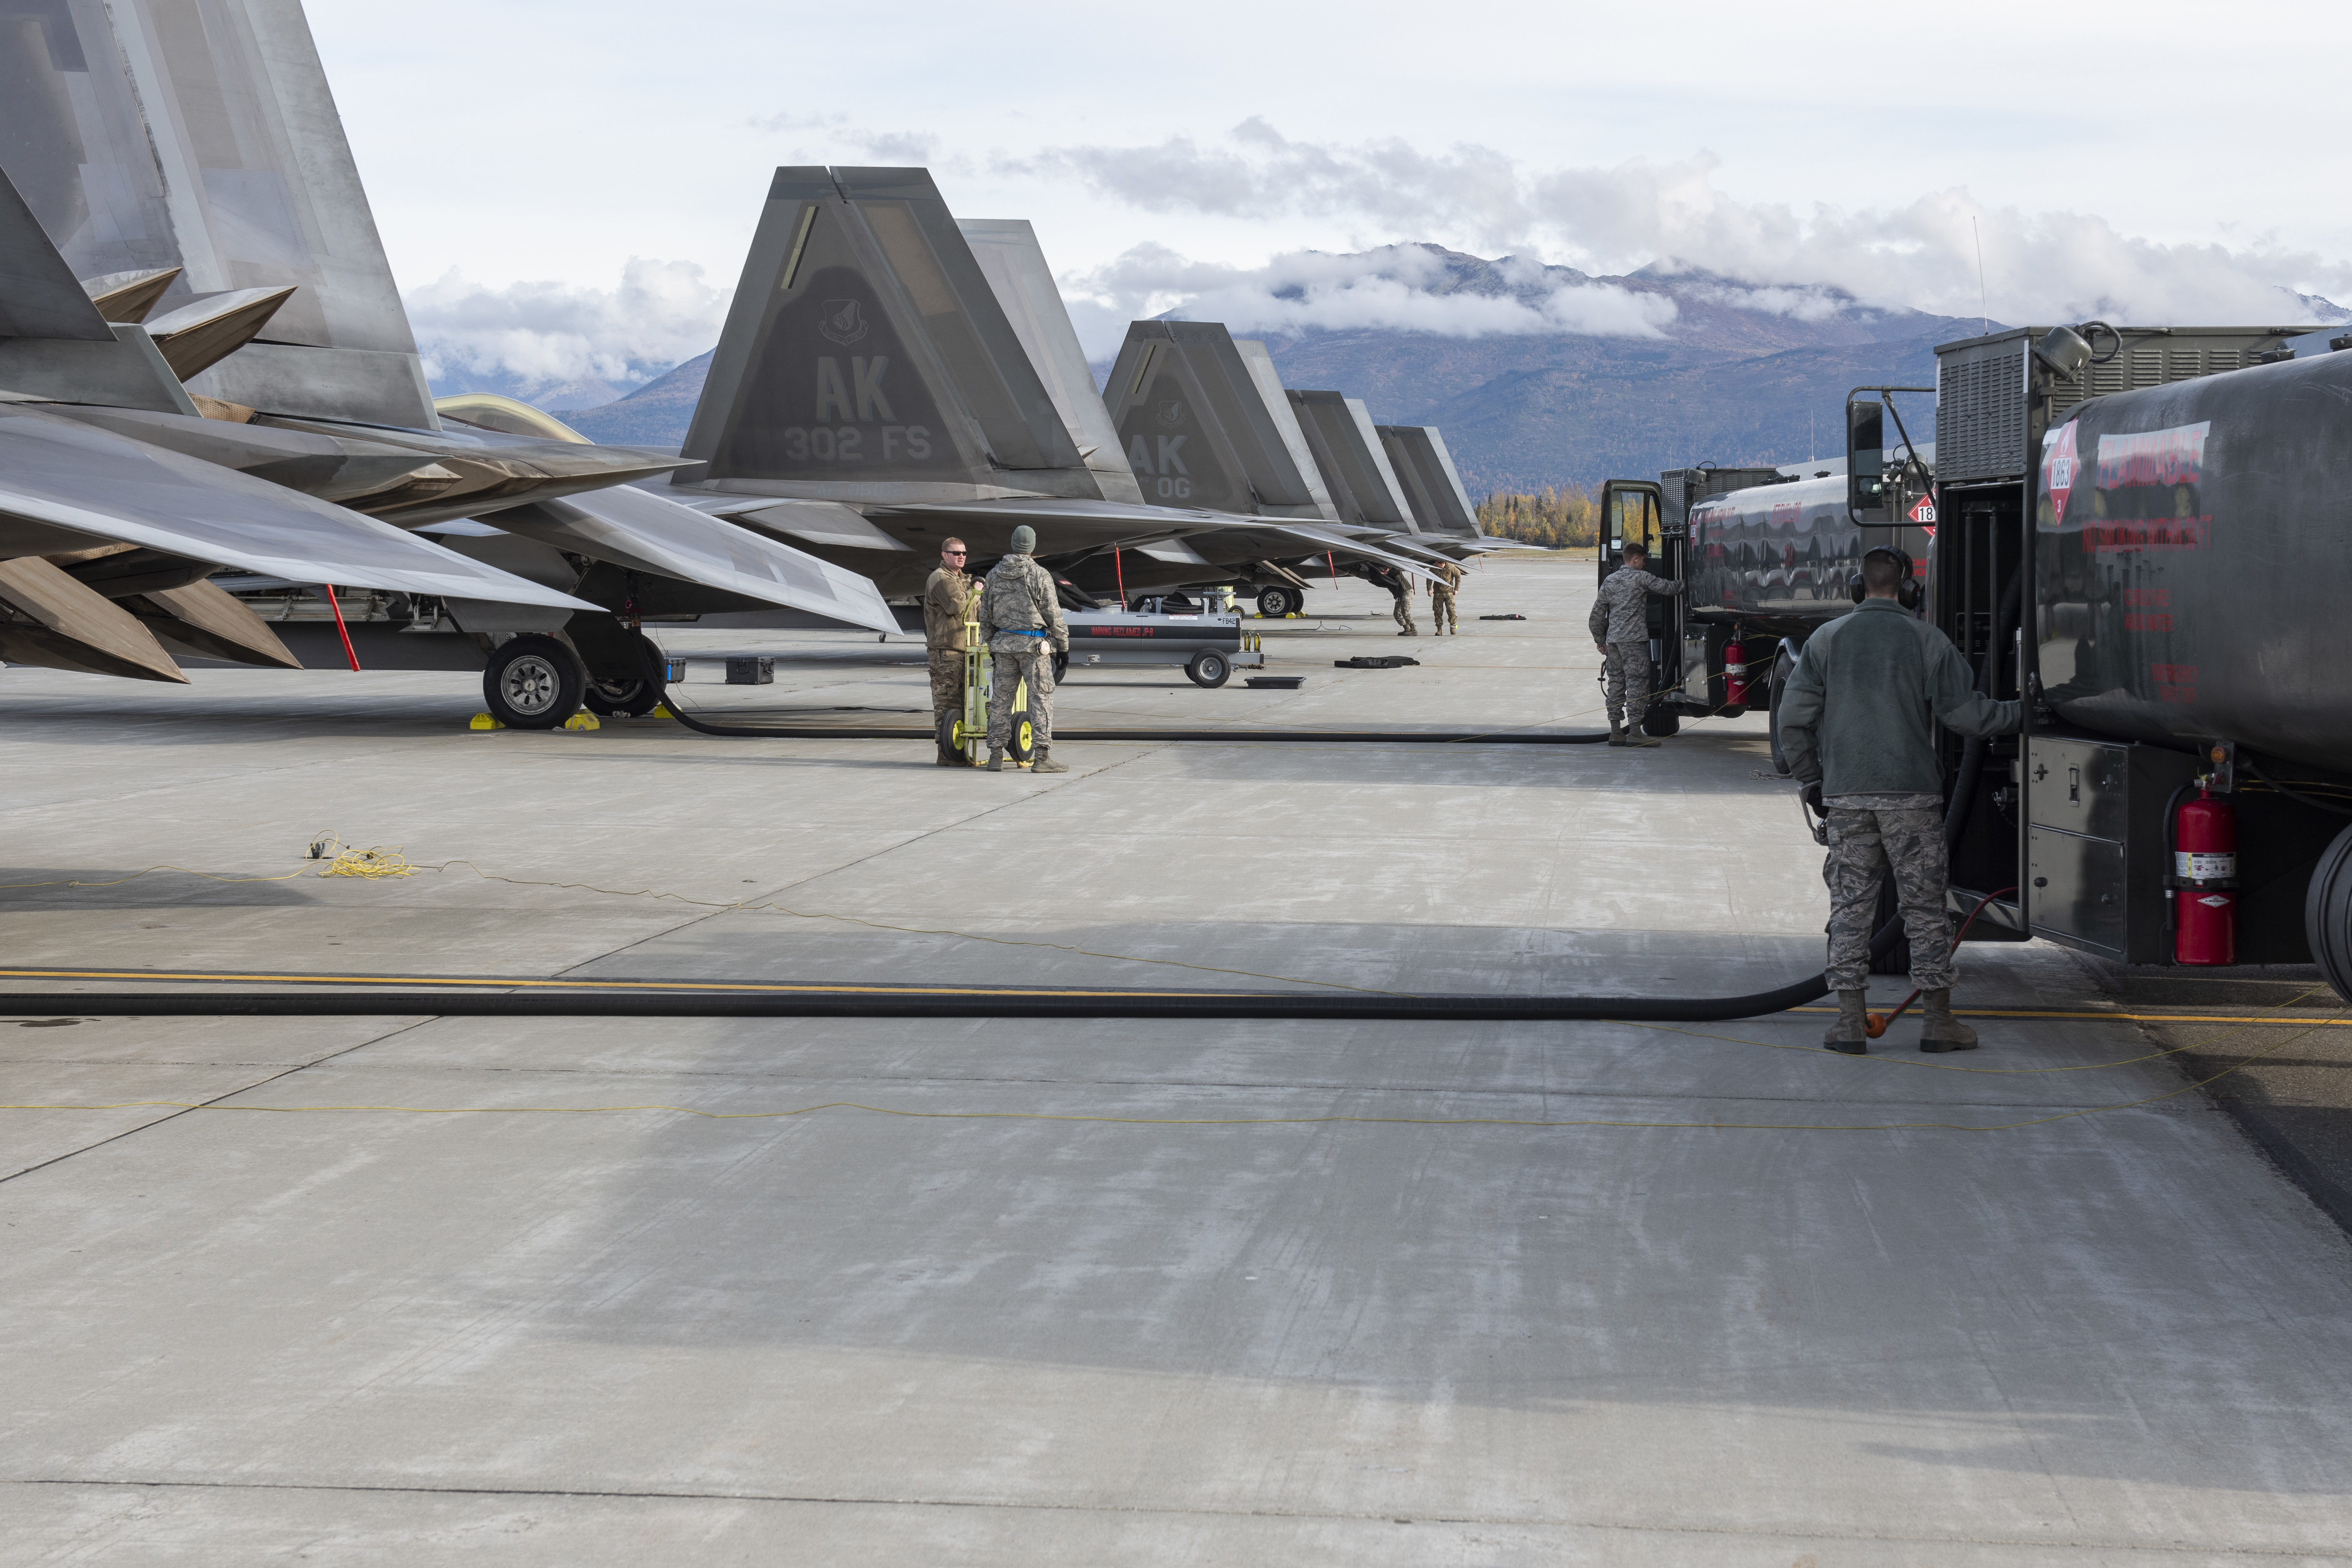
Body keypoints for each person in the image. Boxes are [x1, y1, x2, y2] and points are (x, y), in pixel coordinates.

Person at [1777, 546, 2021, 1054]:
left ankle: (1848, 1023)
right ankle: (1938, 1023)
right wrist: (2026, 711)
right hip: (1912, 798)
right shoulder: (1927, 640)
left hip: (1847, 798)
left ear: (1856, 586)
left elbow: (1792, 722)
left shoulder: (1827, 640)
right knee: (1926, 909)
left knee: (1849, 909)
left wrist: (1813, 779)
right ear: (1911, 589)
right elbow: (1969, 717)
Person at [978, 524, 1069, 774]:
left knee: (1000, 702)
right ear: (1033, 546)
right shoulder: (1039, 574)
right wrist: (1062, 647)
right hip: (1034, 647)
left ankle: (995, 756)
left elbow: (984, 616)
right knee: (1041, 700)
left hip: (1004, 646)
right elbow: (1053, 613)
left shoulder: (994, 575)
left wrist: (994, 644)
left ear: (1012, 542)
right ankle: (1041, 758)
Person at [1587, 542, 1685, 746]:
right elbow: (1670, 589)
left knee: (1616, 684)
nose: (1645, 565)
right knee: (1637, 685)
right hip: (1634, 642)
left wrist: (1600, 641)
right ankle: (1635, 733)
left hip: (1614, 642)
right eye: (1644, 560)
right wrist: (1691, 581)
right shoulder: (1641, 578)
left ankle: (1615, 732)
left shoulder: (1610, 581)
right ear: (1636, 559)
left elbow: (1596, 615)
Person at [922, 537, 974, 765]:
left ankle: (957, 751)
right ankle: (946, 753)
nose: (961, 556)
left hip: (963, 650)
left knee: (961, 703)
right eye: (955, 553)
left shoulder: (962, 580)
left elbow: (975, 611)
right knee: (946, 703)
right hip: (946, 651)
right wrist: (977, 592)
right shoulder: (941, 578)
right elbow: (956, 606)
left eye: (963, 553)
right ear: (944, 555)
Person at [1382, 566, 1418, 635]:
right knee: (1397, 613)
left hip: (1407, 592)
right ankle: (1407, 629)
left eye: (1385, 570)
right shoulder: (1388, 578)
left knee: (1405, 611)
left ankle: (1414, 630)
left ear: (1388, 568)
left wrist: (1387, 573)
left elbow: (1398, 571)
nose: (1384, 571)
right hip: (1400, 595)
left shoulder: (1396, 571)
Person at [1429, 560, 1463, 634]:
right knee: (1438, 612)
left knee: (1451, 611)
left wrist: (1456, 589)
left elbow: (1458, 576)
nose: (1436, 565)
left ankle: (1453, 628)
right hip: (1438, 593)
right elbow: (1429, 578)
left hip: (1449, 593)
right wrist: (1429, 589)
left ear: (1442, 564)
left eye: (1438, 564)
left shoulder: (1451, 567)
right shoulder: (1434, 568)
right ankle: (1439, 630)